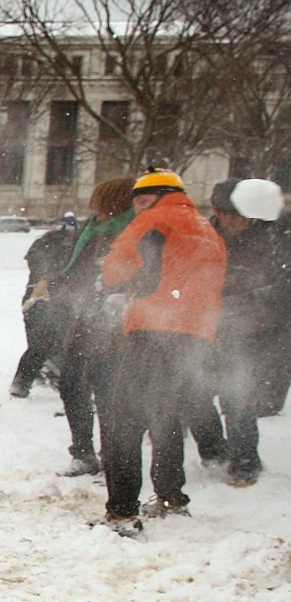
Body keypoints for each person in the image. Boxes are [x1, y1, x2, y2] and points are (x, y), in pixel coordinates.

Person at [94, 168, 227, 535]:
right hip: (195, 335)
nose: (136, 208)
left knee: (123, 421)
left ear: (159, 196)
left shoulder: (156, 219)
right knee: (165, 415)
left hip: (153, 331)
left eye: (141, 199)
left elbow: (118, 267)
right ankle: (170, 497)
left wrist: (109, 280)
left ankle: (122, 512)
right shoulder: (205, 228)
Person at [49, 178, 137, 476]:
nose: (95, 213)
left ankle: (112, 459)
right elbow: (75, 272)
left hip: (113, 328)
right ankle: (83, 452)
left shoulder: (129, 233)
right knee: (71, 384)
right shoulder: (93, 231)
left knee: (108, 393)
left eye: (100, 206)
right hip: (84, 321)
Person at [207, 178, 287, 486]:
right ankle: (213, 451)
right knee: (193, 395)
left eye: (243, 214)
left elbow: (279, 288)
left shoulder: (271, 238)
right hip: (207, 327)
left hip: (252, 332)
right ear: (218, 211)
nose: (237, 221)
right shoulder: (203, 236)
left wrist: (239, 301)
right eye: (230, 214)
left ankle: (244, 463)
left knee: (237, 396)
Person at [11, 212, 80, 397]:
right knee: (54, 339)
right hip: (50, 296)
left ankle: (30, 376)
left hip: (36, 296)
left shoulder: (43, 242)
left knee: (39, 340)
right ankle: (39, 375)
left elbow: (33, 262)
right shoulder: (72, 244)